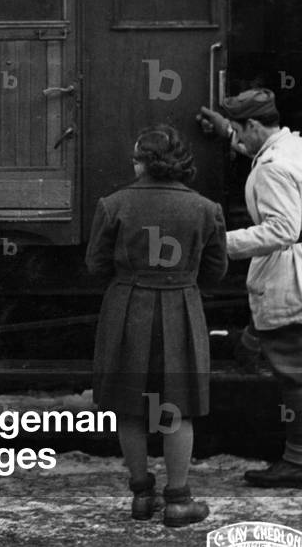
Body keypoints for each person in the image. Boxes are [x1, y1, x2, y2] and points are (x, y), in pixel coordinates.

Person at [86, 125, 227, 528]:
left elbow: (95, 265)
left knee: (130, 407)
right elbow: (216, 271)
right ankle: (179, 500)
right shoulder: (205, 209)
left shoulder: (113, 204)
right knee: (176, 407)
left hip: (127, 309)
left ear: (142, 162)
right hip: (181, 308)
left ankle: (141, 496)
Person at [198, 89, 302, 489]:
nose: (238, 136)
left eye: (239, 128)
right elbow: (265, 159)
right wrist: (227, 135)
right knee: (296, 361)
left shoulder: (271, 167)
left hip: (289, 274)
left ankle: (298, 462)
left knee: (292, 370)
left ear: (253, 125)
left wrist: (218, 244)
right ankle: (249, 345)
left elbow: (281, 230)